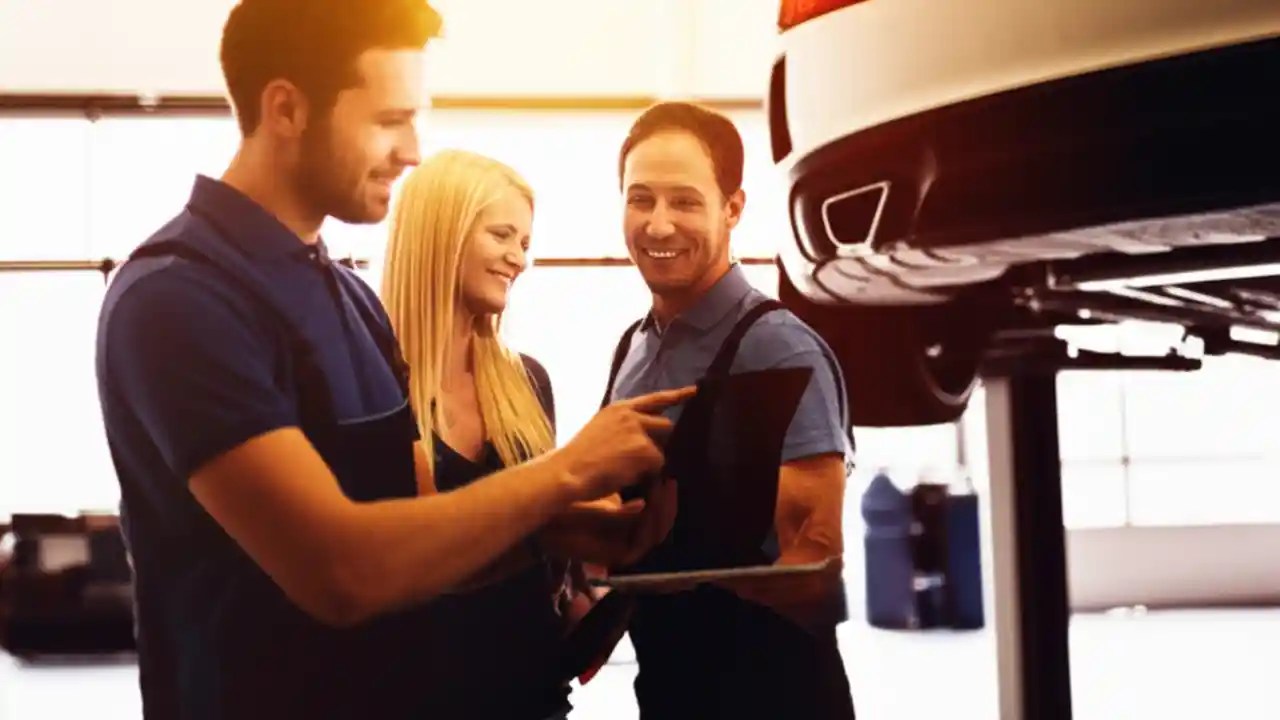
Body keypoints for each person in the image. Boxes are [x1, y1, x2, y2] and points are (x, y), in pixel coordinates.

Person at [93, 3, 690, 719]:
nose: (412, 151)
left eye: (416, 118)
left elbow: (413, 548)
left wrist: (556, 536)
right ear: (286, 109)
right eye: (387, 120)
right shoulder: (177, 300)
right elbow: (339, 570)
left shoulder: (347, 298)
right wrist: (565, 473)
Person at [379, 149, 676, 718]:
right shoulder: (371, 384)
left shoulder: (527, 383)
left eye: (525, 242)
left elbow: (556, 584)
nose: (519, 258)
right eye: (503, 236)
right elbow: (409, 563)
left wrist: (630, 560)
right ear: (443, 234)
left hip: (533, 699)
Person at [602, 102, 858, 719]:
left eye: (685, 202)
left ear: (733, 209)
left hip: (773, 698)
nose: (658, 226)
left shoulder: (775, 346)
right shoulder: (630, 349)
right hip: (665, 693)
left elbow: (814, 556)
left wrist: (689, 568)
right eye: (641, 200)